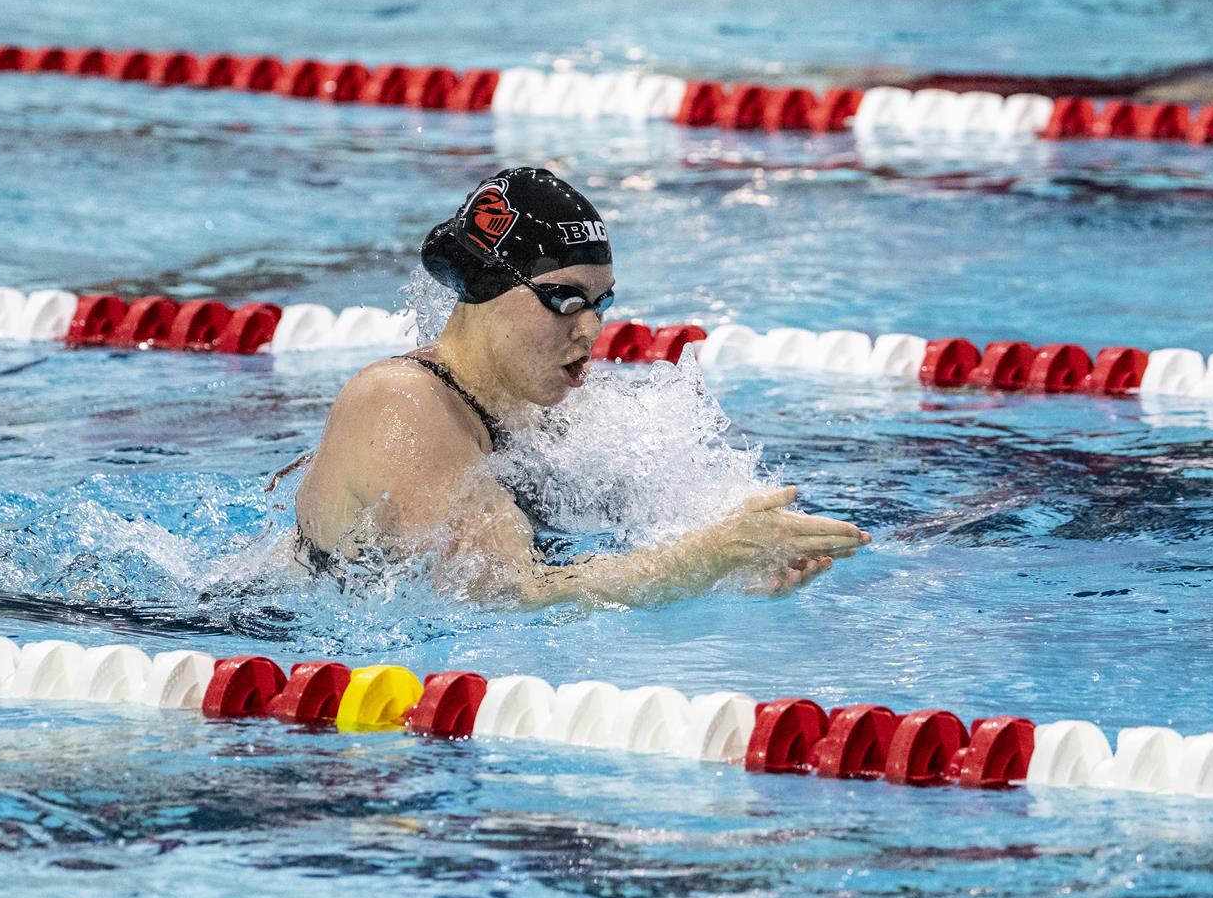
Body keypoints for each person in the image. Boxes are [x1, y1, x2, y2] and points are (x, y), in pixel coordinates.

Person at [292, 167, 870, 606]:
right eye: (564, 300)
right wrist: (712, 554)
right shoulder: (402, 401)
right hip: (290, 648)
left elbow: (636, 533)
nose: (592, 329)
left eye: (601, 304)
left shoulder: (544, 409)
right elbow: (506, 594)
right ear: (487, 290)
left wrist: (739, 564)